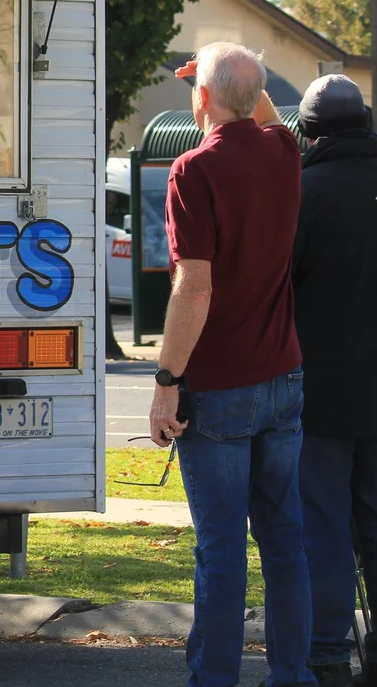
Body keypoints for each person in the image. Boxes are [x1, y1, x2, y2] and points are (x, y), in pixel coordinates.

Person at [149, 43, 314, 687]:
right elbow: (267, 117)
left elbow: (194, 287)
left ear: (201, 101)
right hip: (285, 374)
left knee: (221, 548)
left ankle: (214, 678)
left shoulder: (193, 170)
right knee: (284, 541)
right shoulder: (283, 153)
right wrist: (232, 76)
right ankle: (291, 674)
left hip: (218, 384)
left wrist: (165, 384)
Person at [290, 74, 377, 687]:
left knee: (322, 527)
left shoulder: (305, 192)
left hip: (321, 394)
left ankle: (326, 654)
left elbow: (280, 289)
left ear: (310, 132)